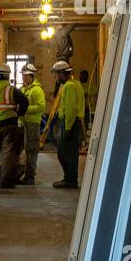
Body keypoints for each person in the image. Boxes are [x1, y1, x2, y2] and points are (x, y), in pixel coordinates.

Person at [52, 60, 85, 188]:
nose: (55, 77)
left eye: (56, 74)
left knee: (67, 154)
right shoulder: (75, 84)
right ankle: (69, 179)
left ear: (62, 74)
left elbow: (70, 109)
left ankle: (70, 180)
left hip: (70, 122)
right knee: (66, 153)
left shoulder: (69, 86)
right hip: (72, 122)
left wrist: (67, 128)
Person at [18, 63, 46, 185]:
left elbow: (41, 107)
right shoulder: (23, 89)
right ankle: (26, 175)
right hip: (24, 124)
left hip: (33, 124)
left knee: (32, 150)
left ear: (31, 76)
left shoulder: (37, 90)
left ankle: (30, 177)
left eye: (25, 76)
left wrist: (25, 109)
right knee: (25, 150)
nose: (23, 78)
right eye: (22, 76)